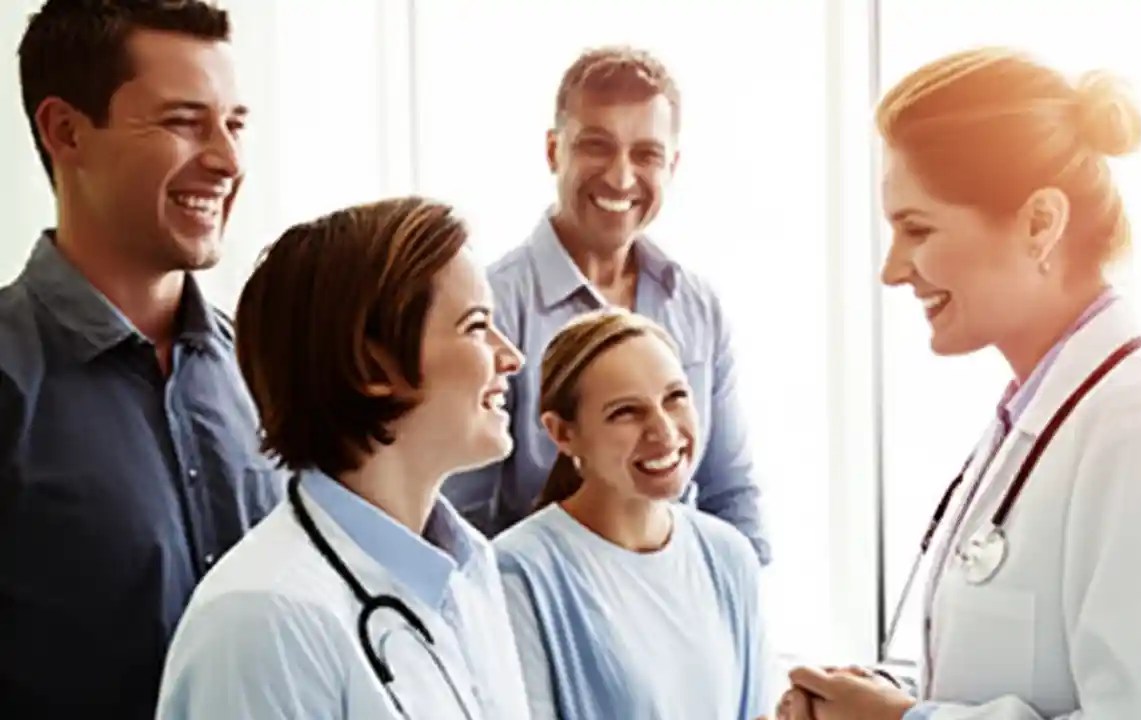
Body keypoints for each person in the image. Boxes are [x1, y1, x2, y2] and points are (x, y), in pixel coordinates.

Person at [778, 46, 1141, 719]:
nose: (892, 270)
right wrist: (885, 701)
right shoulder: (1043, 416)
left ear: (1040, 223)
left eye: (916, 229)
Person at [0, 1, 282, 717]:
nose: (227, 161)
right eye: (184, 122)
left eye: (235, 125)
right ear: (66, 131)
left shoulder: (264, 370)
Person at [155, 197, 532, 719]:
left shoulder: (470, 566)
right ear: (372, 365)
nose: (512, 357)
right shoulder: (260, 618)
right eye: (475, 326)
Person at [443, 46, 770, 564]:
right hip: (542, 597)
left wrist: (742, 600)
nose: (620, 178)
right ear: (554, 151)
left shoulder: (697, 306)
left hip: (680, 594)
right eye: (596, 147)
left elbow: (731, 493)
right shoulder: (492, 310)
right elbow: (461, 522)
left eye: (646, 154)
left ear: (672, 165)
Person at [494, 308, 770, 719]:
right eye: (626, 412)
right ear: (563, 433)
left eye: (676, 398)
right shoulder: (517, 573)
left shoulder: (729, 555)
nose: (664, 432)